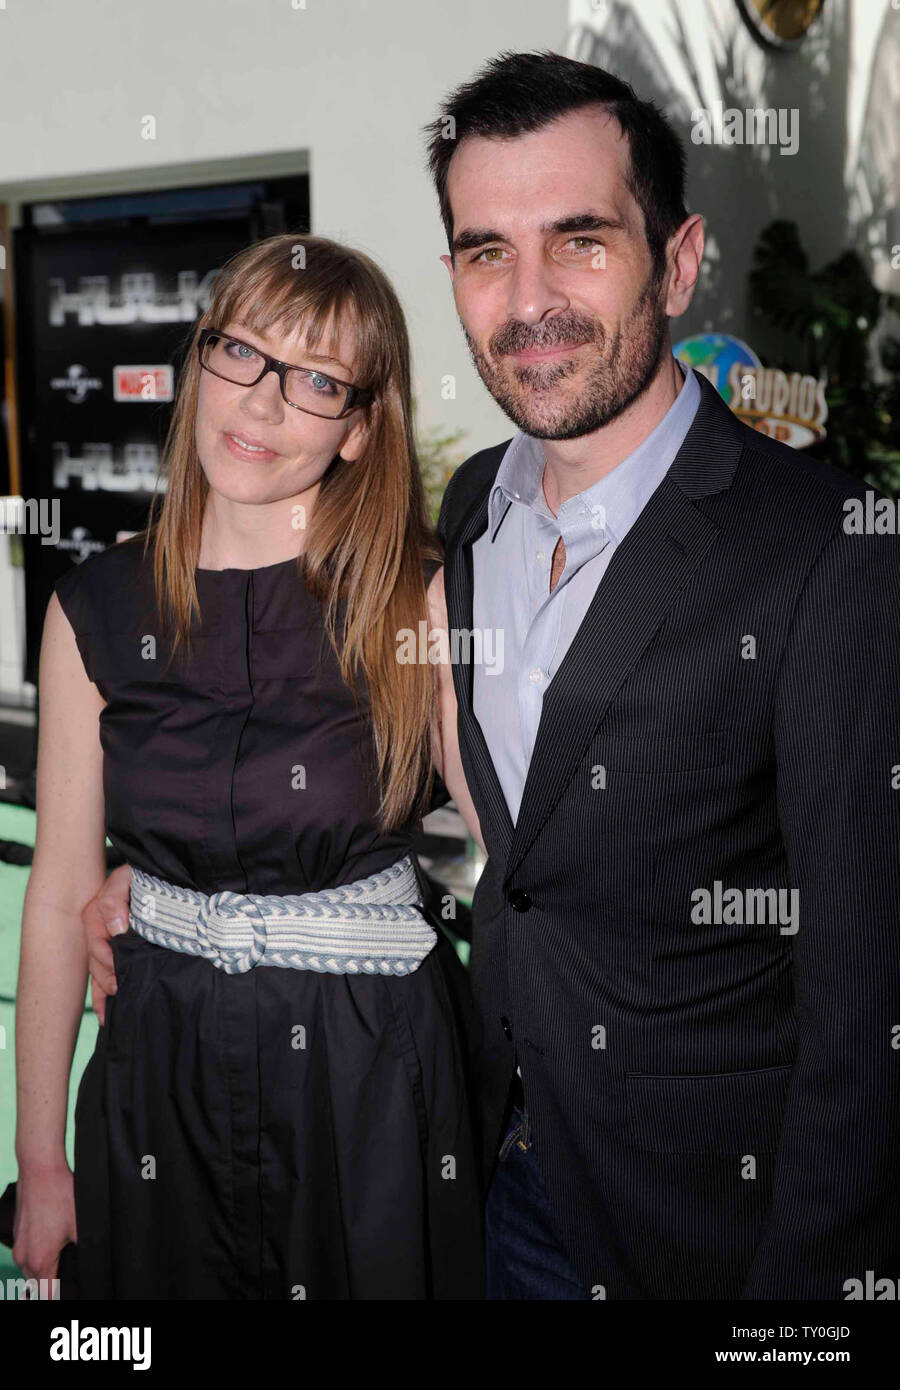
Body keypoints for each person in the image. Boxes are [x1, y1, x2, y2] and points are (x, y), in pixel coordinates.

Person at [425, 51, 900, 1299]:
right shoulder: (474, 507)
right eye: (487, 251)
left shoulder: (828, 547)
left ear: (678, 262)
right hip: (501, 1171)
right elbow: (518, 845)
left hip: (708, 1227)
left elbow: (869, 1011)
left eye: (579, 240)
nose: (530, 301)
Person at [13, 232, 486, 1300]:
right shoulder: (93, 606)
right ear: (198, 364)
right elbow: (56, 898)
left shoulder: (420, 599)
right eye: (242, 352)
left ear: (362, 427)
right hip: (156, 1074)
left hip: (368, 1086)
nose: (262, 403)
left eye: (315, 379)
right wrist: (40, 1160)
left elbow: (519, 856)